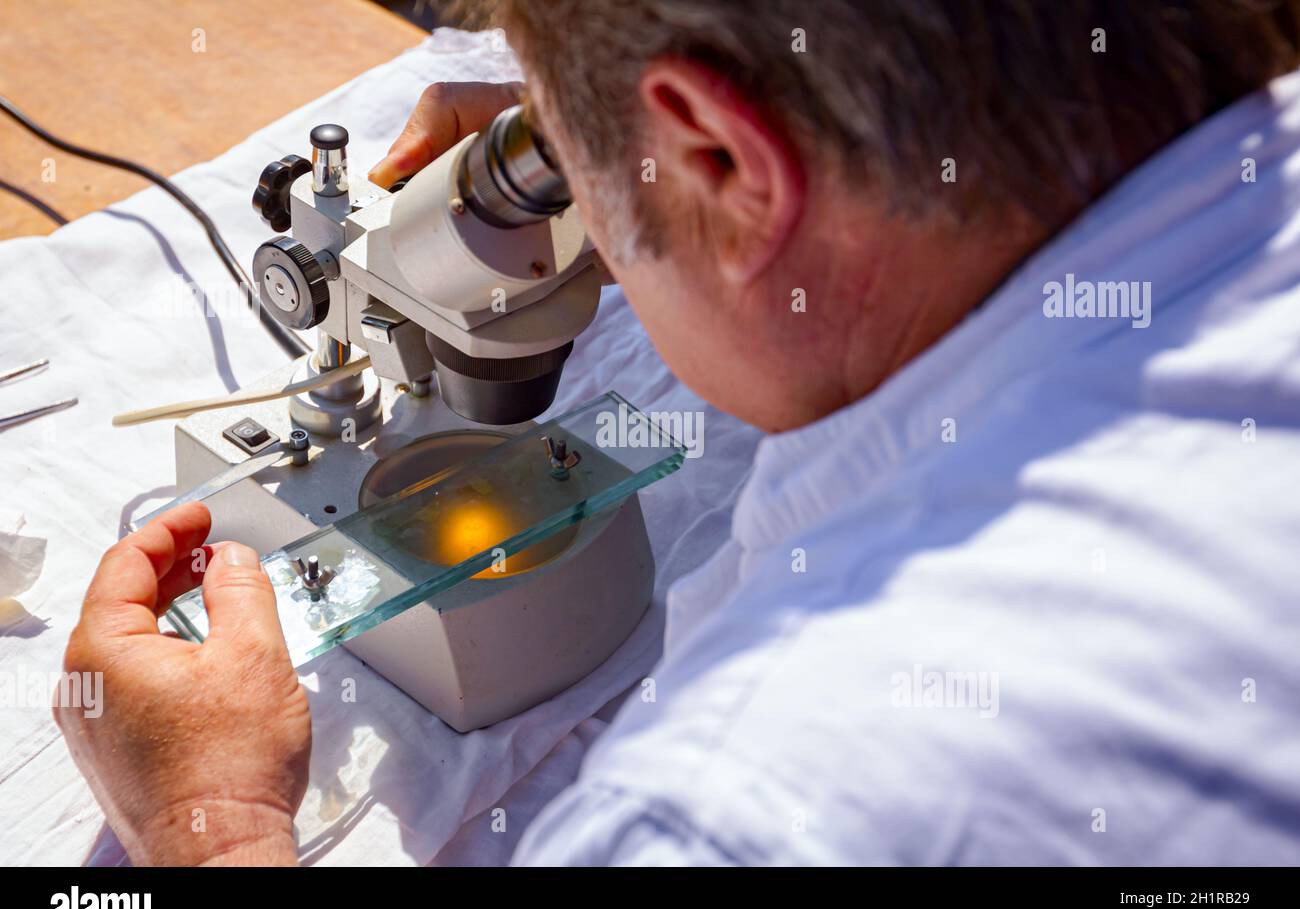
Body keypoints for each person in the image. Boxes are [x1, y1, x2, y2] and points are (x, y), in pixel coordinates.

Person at [58, 1, 1300, 865]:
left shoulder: (739, 811)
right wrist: (606, 143)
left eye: (553, 143)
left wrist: (213, 824)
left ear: (720, 151)